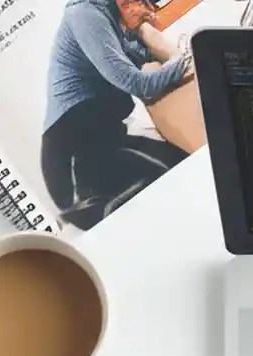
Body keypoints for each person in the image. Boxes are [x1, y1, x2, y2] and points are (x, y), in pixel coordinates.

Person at [41, 0, 193, 229]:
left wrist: (146, 33)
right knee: (167, 176)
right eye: (146, 5)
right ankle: (96, 209)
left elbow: (140, 56)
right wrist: (188, 59)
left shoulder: (109, 18)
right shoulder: (86, 15)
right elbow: (139, 84)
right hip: (73, 154)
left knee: (183, 159)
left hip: (103, 140)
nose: (150, 11)